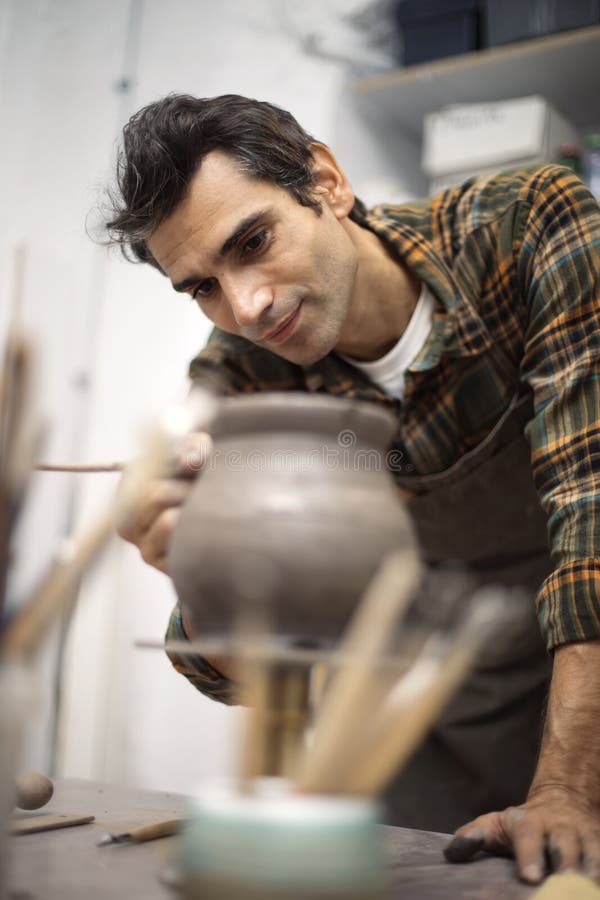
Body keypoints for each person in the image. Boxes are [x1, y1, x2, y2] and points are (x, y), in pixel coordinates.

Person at [107, 93, 600, 883]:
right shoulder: (238, 375)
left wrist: (571, 786)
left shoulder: (524, 229)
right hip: (420, 718)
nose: (247, 305)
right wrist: (191, 566)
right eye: (201, 286)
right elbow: (242, 662)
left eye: (254, 242)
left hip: (582, 688)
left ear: (326, 181)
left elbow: (593, 515)